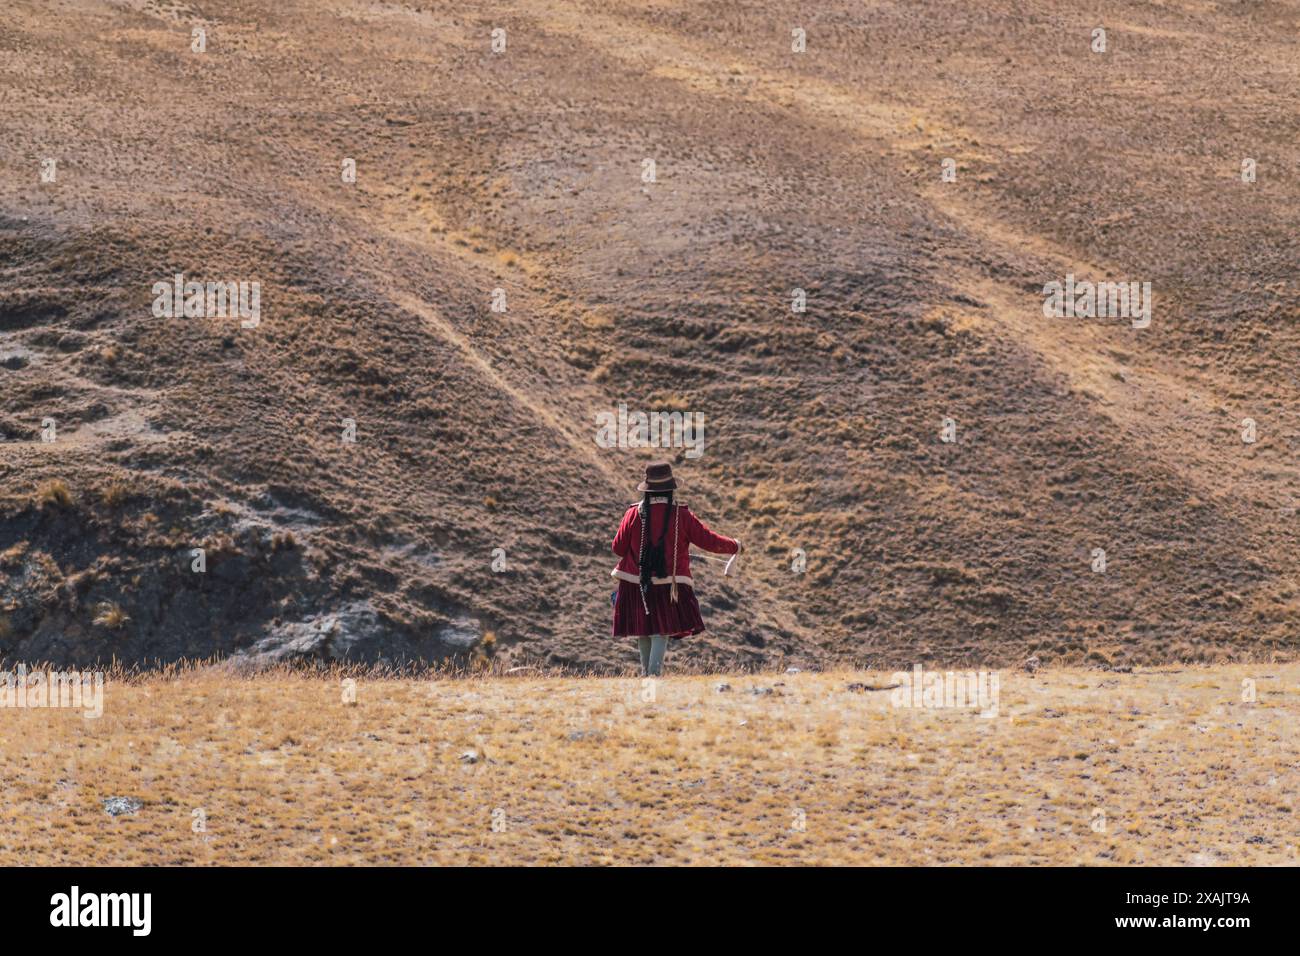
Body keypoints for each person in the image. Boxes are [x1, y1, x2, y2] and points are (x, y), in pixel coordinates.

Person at [611, 461, 741, 676]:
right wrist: (734, 546)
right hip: (668, 583)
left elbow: (618, 548)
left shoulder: (632, 514)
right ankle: (654, 676)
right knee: (660, 631)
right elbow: (708, 541)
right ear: (671, 488)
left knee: (643, 630)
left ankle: (647, 677)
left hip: (634, 582)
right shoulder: (682, 515)